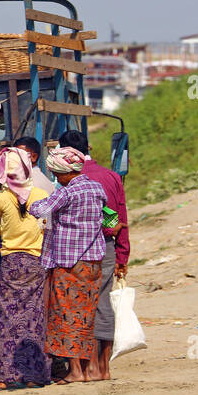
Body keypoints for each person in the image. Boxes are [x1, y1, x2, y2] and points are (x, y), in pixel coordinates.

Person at [29, 146, 107, 384]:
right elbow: (109, 216)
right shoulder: (96, 187)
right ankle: (90, 368)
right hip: (93, 261)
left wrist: (29, 201)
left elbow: (39, 209)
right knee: (87, 315)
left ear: (64, 172)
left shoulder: (67, 191)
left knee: (67, 315)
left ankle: (75, 371)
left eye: (56, 173)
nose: (56, 178)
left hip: (69, 262)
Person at [59, 128, 130, 381]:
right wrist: (123, 256)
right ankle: (104, 368)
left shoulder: (68, 179)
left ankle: (84, 369)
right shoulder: (111, 177)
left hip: (77, 250)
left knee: (78, 304)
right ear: (88, 147)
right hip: (107, 247)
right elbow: (120, 217)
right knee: (103, 303)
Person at [0, 146, 52, 391]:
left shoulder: (2, 198)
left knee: (7, 319)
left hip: (12, 263)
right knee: (34, 318)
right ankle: (35, 374)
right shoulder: (41, 193)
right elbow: (46, 226)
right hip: (35, 262)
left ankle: (4, 376)